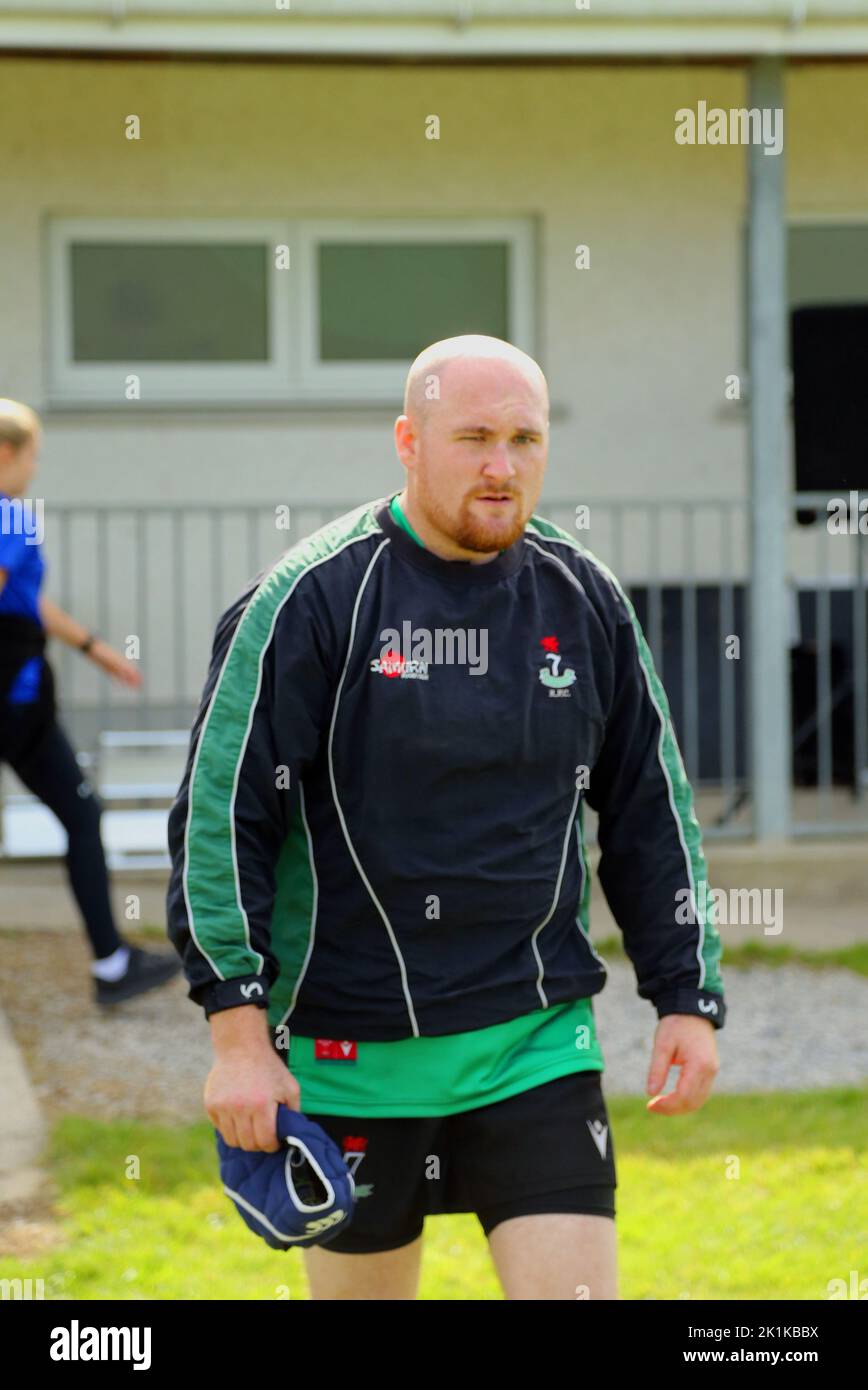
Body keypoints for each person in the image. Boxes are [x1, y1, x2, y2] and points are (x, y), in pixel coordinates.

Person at [167, 335, 726, 1301]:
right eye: (473, 437)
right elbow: (222, 825)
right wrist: (237, 1039)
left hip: (534, 1044)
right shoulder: (308, 601)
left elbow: (649, 806)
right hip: (351, 1056)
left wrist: (686, 993)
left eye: (525, 439)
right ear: (408, 441)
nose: (502, 467)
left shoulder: (584, 598)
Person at [0, 399, 181, 1006]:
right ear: (8, 453)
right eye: (34, 456)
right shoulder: (12, 519)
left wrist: (93, 647)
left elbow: (23, 599)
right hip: (14, 706)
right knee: (82, 817)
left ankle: (112, 963)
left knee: (82, 815)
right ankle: (110, 964)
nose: (35, 468)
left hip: (23, 710)